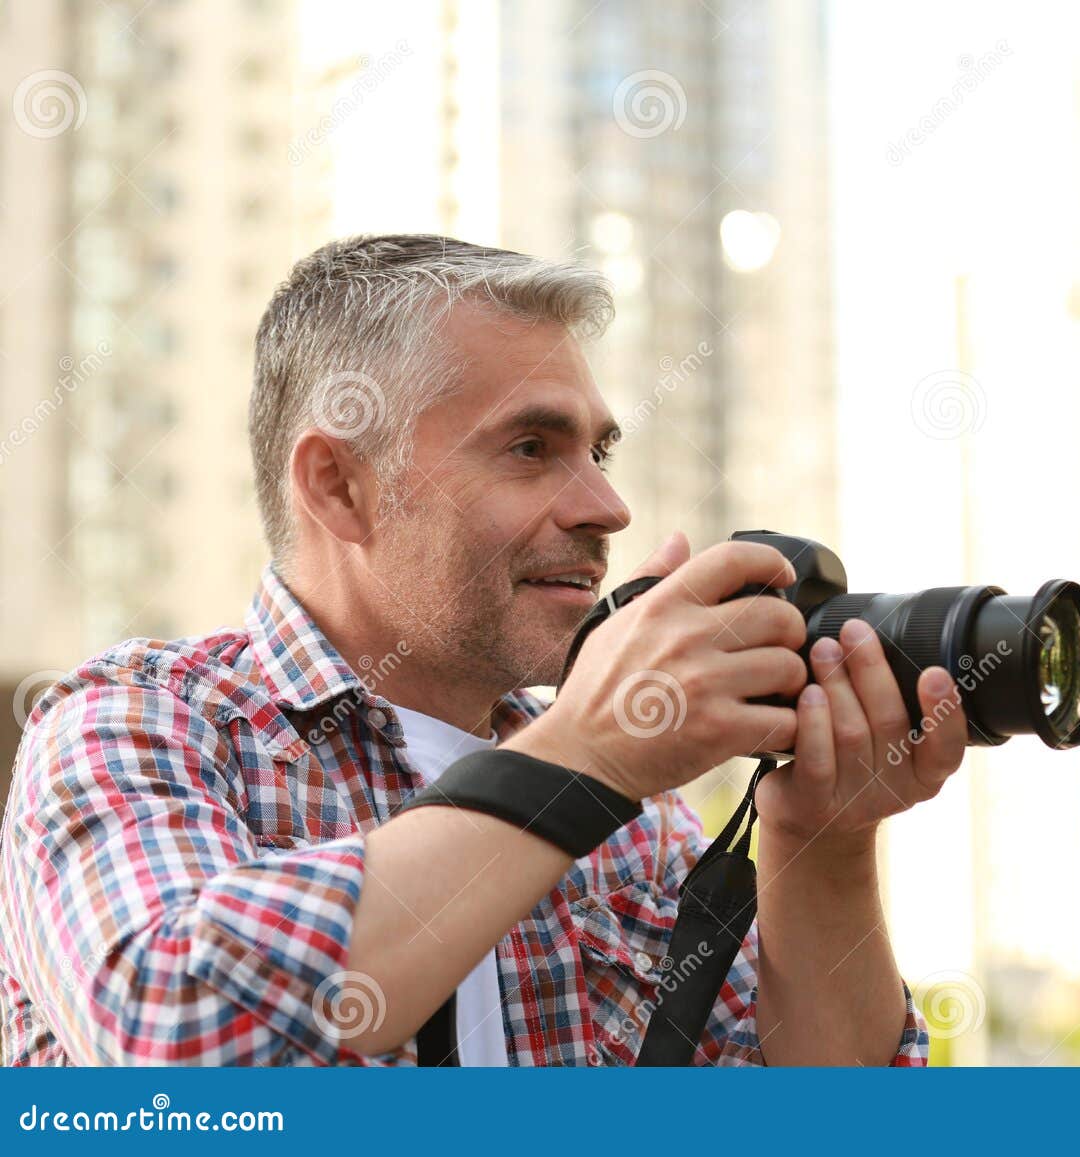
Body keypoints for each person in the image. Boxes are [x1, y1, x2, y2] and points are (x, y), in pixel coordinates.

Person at [0, 234, 971, 1066]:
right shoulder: (130, 723)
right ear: (339, 486)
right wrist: (584, 756)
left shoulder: (641, 825)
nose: (606, 506)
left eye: (600, 450)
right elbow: (175, 1039)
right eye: (530, 448)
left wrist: (821, 844)